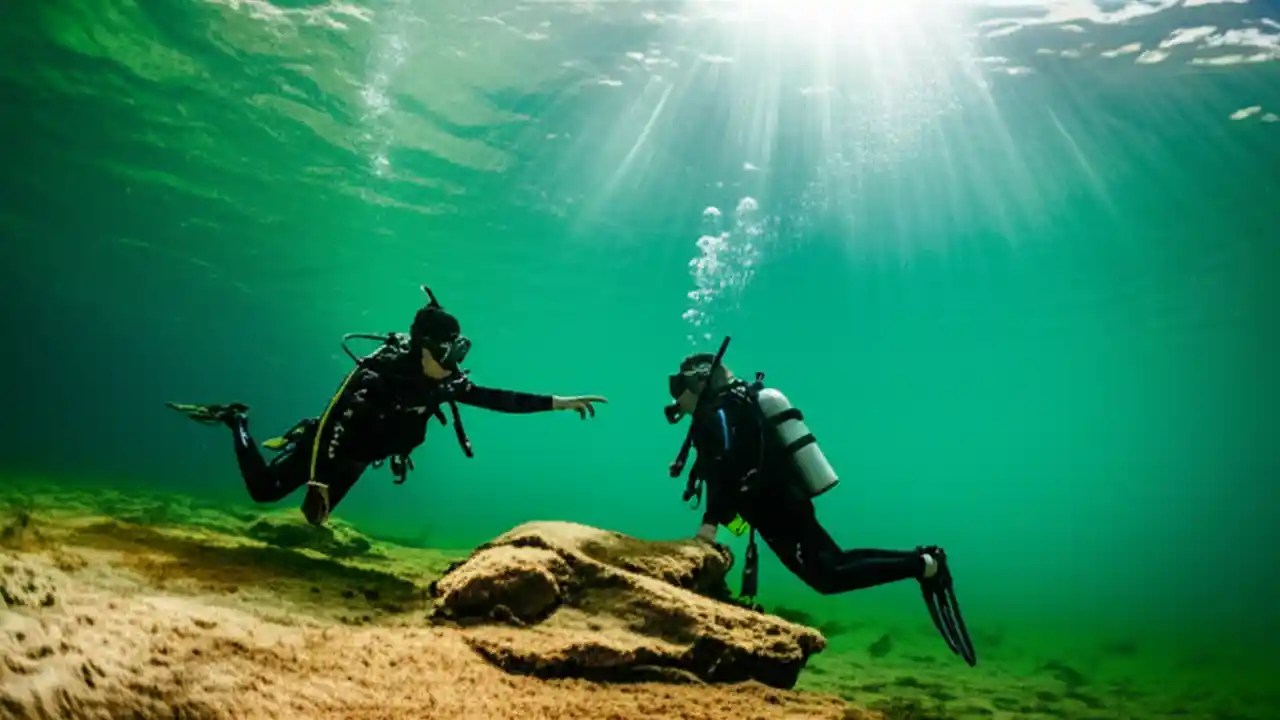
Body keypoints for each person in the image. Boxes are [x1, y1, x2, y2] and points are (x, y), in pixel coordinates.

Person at [167, 286, 607, 526]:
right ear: (425, 349)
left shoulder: (443, 382)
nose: (458, 365)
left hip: (362, 457)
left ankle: (307, 485)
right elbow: (331, 426)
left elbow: (497, 399)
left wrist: (560, 403)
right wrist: (318, 480)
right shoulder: (377, 378)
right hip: (332, 446)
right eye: (451, 353)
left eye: (461, 352)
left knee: (314, 525)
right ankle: (237, 420)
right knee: (264, 492)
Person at [662, 338, 977, 666]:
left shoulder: (721, 412)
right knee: (834, 562)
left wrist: (709, 528)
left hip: (779, 510)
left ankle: (924, 565)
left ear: (700, 380)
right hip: (778, 508)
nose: (676, 397)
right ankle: (925, 562)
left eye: (679, 386)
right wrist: (730, 532)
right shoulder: (732, 408)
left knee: (829, 576)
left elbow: (724, 467)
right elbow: (729, 479)